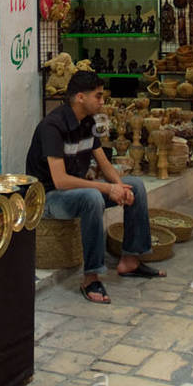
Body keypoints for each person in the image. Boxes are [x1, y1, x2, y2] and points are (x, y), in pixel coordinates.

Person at [26, 69, 164, 304]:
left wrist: (120, 187)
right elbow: (60, 181)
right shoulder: (52, 126)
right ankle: (91, 277)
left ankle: (130, 260)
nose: (102, 101)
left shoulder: (89, 122)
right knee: (92, 197)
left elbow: (104, 162)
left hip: (77, 191)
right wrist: (107, 189)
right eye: (98, 96)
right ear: (80, 97)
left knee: (136, 186)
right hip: (50, 197)